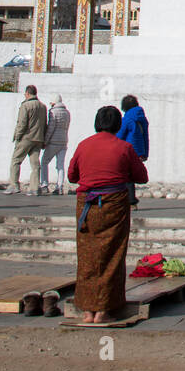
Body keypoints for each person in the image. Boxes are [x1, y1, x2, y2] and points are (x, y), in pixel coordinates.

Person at [67, 106, 148, 324]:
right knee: (112, 255)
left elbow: (72, 176)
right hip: (114, 206)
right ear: (118, 125)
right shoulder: (124, 147)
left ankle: (87, 310)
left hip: (87, 206)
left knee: (87, 256)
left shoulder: (84, 145)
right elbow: (141, 176)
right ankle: (103, 309)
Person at [7, 84, 48, 195]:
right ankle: (35, 187)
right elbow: (45, 124)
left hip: (26, 137)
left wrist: (18, 136)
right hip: (38, 138)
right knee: (35, 164)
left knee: (16, 160)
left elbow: (22, 123)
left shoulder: (26, 105)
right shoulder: (43, 106)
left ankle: (14, 185)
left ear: (28, 93)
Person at [116, 94, 149, 205]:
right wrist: (145, 153)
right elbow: (145, 137)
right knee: (130, 176)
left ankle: (130, 200)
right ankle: (129, 199)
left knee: (127, 176)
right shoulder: (142, 119)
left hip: (128, 151)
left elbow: (120, 135)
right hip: (139, 151)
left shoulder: (127, 119)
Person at [40, 94, 71, 195]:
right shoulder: (67, 112)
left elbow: (51, 128)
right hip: (64, 141)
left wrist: (45, 141)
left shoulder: (53, 112)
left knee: (44, 161)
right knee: (60, 165)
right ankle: (60, 186)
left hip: (53, 142)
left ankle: (44, 184)